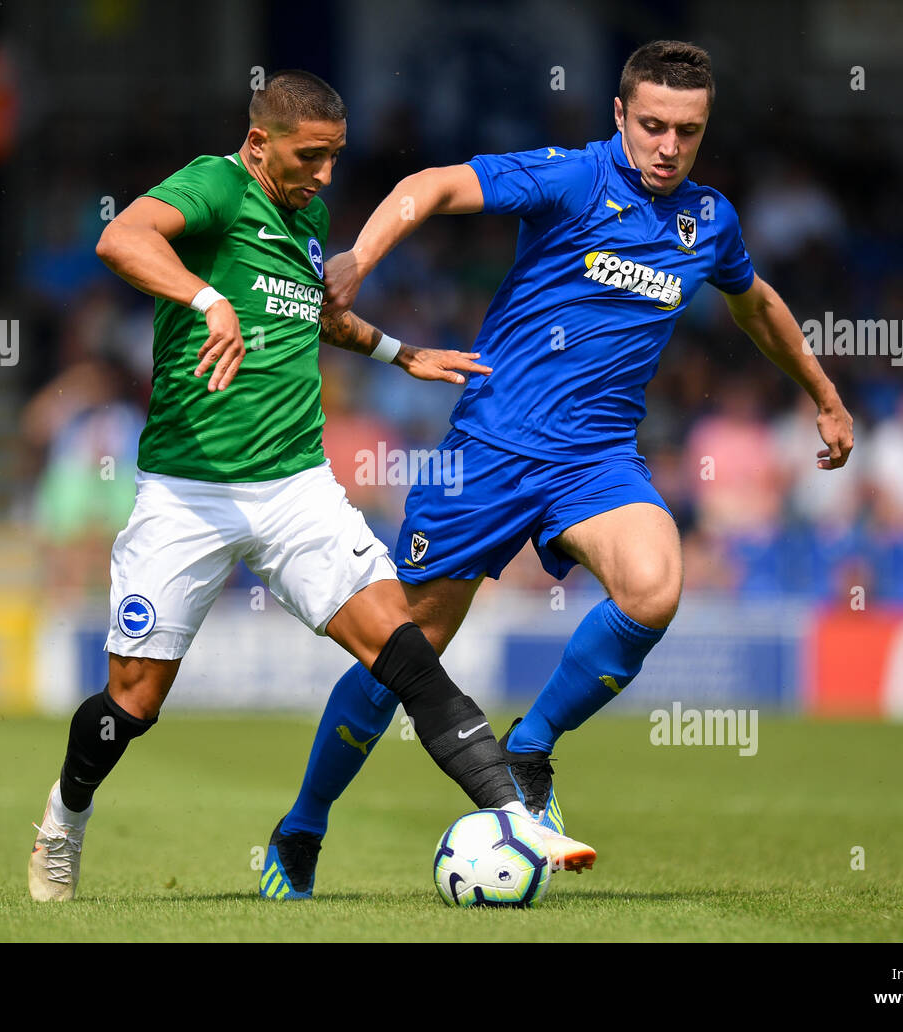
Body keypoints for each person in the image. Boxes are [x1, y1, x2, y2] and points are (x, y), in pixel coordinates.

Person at [264, 41, 855, 895]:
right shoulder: (571, 178)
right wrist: (360, 256)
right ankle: (302, 829)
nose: (667, 146)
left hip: (597, 462)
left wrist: (823, 393)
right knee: (404, 650)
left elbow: (753, 300)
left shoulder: (709, 222)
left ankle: (530, 747)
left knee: (653, 587)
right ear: (619, 116)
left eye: (686, 131)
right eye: (651, 125)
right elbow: (430, 185)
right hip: (490, 454)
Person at [27, 70, 595, 903]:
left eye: (335, 157)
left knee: (405, 652)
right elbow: (123, 238)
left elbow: (314, 312)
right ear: (261, 144)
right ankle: (63, 821)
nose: (327, 176)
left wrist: (402, 354)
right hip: (188, 492)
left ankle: (517, 817)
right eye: (311, 156)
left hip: (296, 488)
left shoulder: (308, 216)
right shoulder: (215, 186)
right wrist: (206, 296)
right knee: (133, 703)